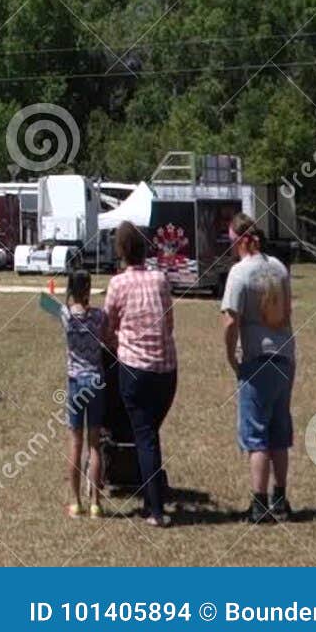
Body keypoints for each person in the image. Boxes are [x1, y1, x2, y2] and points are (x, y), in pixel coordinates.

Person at [221, 216, 296, 524]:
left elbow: (230, 321)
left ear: (239, 240)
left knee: (257, 435)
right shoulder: (278, 268)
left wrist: (231, 356)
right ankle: (281, 498)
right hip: (285, 356)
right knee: (279, 430)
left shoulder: (239, 274)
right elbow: (288, 310)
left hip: (257, 358)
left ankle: (258, 504)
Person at [103, 222, 178, 527]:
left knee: (145, 438)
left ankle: (155, 509)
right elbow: (169, 323)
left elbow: (107, 329)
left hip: (135, 369)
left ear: (120, 251)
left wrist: (117, 340)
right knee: (150, 435)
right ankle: (152, 494)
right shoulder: (160, 280)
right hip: (166, 372)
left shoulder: (118, 284)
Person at [61, 269, 108, 518]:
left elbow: (47, 303)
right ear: (88, 289)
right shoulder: (99, 316)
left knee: (75, 443)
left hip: (75, 381)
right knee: (95, 445)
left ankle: (76, 501)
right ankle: (96, 503)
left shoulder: (65, 315)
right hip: (96, 379)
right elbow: (108, 336)